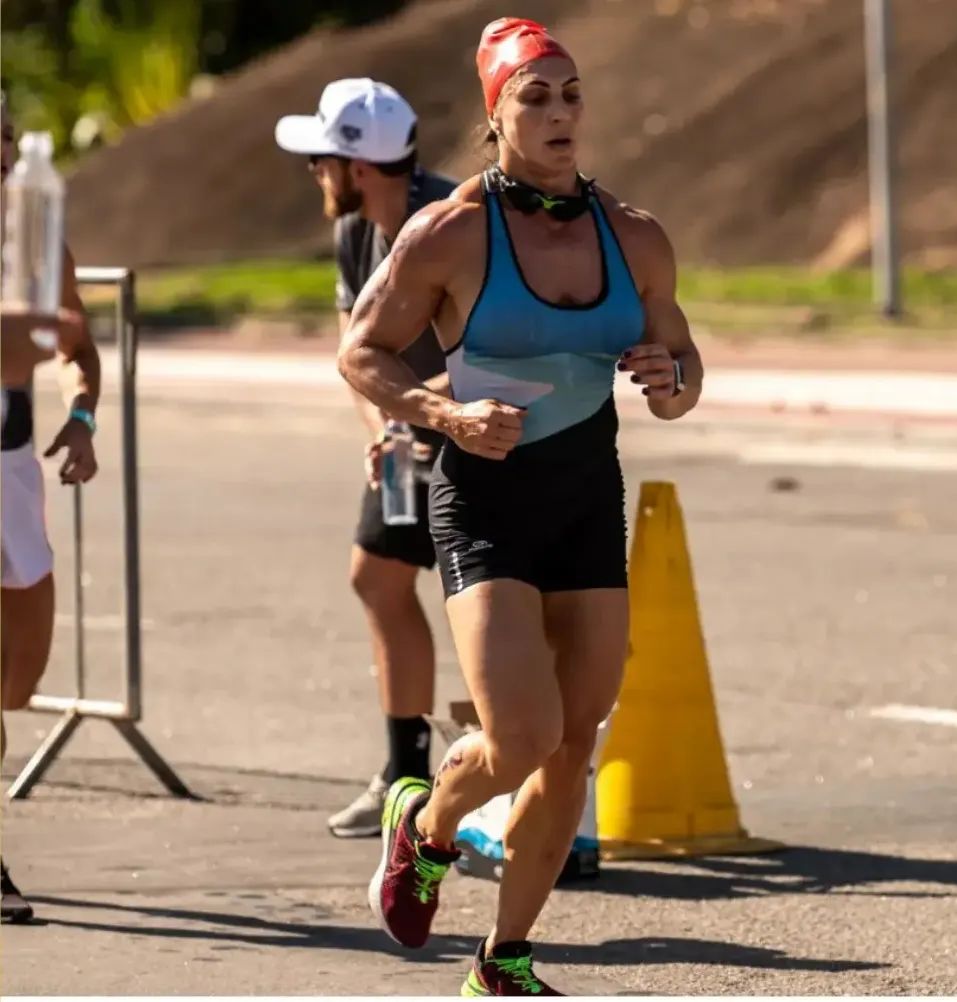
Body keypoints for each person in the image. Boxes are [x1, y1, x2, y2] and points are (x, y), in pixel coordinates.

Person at [337, 17, 703, 996]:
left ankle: (504, 961)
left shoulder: (636, 235)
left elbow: (683, 370)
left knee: (574, 744)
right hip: (486, 504)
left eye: (570, 94)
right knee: (522, 735)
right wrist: (442, 411)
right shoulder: (451, 232)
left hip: (586, 499)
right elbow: (361, 353)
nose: (557, 113)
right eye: (533, 97)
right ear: (495, 117)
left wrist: (670, 375)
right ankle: (422, 824)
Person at [275, 80, 455, 837]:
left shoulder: (452, 224)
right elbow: (355, 348)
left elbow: (493, 356)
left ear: (358, 165)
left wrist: (417, 409)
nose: (314, 172)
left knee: (489, 609)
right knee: (377, 577)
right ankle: (406, 776)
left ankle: (519, 784)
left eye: (322, 158)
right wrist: (380, 425)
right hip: (408, 438)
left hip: (481, 440)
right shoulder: (356, 231)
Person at [1, 92, 102, 924]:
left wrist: (82, 417)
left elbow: (77, 351)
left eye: (5, 138)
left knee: (18, 679)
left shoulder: (38, 251)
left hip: (13, 473)